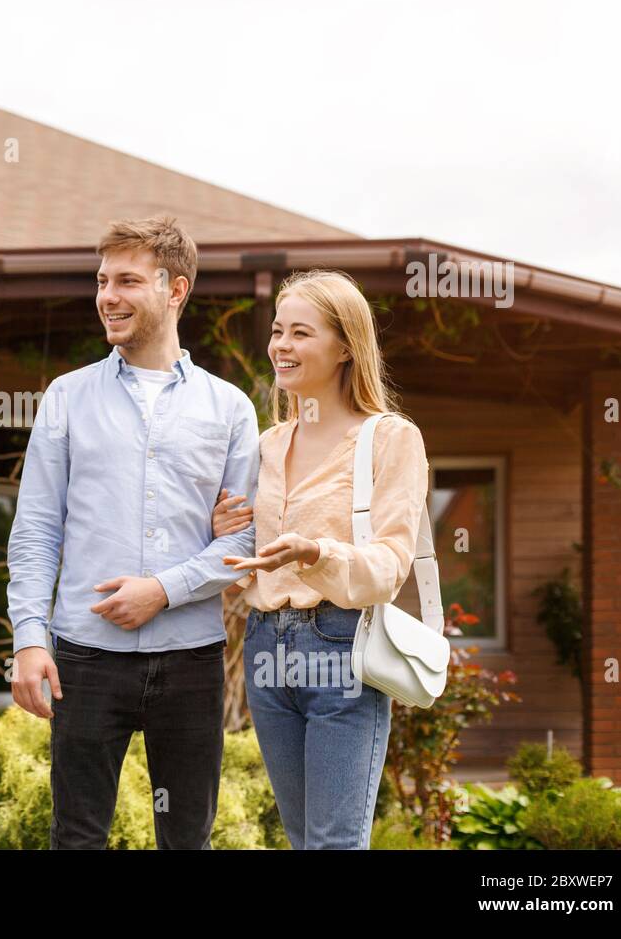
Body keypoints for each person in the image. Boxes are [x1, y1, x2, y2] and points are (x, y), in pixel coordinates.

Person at [7, 215, 258, 849]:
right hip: (85, 657)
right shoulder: (67, 396)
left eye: (127, 281)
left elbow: (245, 541)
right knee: (79, 836)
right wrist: (30, 639)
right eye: (101, 281)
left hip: (191, 658)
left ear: (176, 289)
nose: (107, 296)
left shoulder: (229, 408)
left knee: (186, 840)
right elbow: (36, 528)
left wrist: (162, 590)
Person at [215, 268, 429, 850]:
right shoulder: (267, 444)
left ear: (344, 347)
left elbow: (389, 564)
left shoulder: (388, 439)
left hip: (341, 648)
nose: (282, 346)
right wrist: (224, 537)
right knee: (302, 837)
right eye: (278, 331)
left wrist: (317, 553)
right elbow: (240, 557)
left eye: (301, 333)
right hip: (264, 649)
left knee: (334, 842)